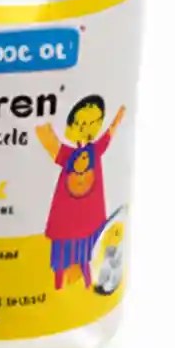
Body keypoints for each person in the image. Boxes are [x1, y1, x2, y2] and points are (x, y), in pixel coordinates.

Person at [34, 95, 126, 290]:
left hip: (89, 214)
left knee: (88, 250)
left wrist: (118, 117)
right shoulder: (68, 154)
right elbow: (52, 146)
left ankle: (84, 282)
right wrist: (40, 124)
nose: (88, 129)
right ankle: (61, 283)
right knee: (63, 253)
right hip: (66, 215)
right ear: (71, 126)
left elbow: (108, 136)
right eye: (82, 123)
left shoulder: (94, 150)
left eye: (94, 123)